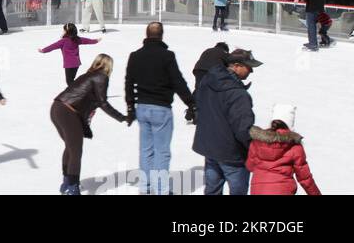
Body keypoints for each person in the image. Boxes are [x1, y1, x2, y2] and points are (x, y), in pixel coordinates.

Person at [124, 22, 194, 195]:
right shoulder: (167, 56)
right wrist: (191, 102)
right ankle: (162, 190)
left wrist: (130, 107)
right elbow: (178, 81)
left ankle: (145, 187)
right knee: (162, 151)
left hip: (142, 108)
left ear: (146, 35)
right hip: (161, 108)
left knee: (146, 150)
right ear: (161, 35)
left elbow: (128, 82)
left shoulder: (135, 56)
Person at [50, 54, 128, 195]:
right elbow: (103, 103)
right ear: (108, 66)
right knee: (75, 151)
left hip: (57, 108)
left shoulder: (88, 75)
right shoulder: (101, 77)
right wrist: (122, 117)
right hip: (68, 111)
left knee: (70, 148)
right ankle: (72, 187)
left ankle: (66, 182)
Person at [192, 49, 261, 195]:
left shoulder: (207, 80)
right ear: (236, 65)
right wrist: (254, 149)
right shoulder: (238, 95)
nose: (251, 71)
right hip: (232, 155)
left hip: (210, 148)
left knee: (212, 190)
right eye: (248, 67)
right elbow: (243, 129)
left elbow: (199, 105)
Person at [246, 104, 321, 195]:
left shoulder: (257, 142)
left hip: (257, 190)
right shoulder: (294, 146)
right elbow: (305, 178)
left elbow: (250, 165)